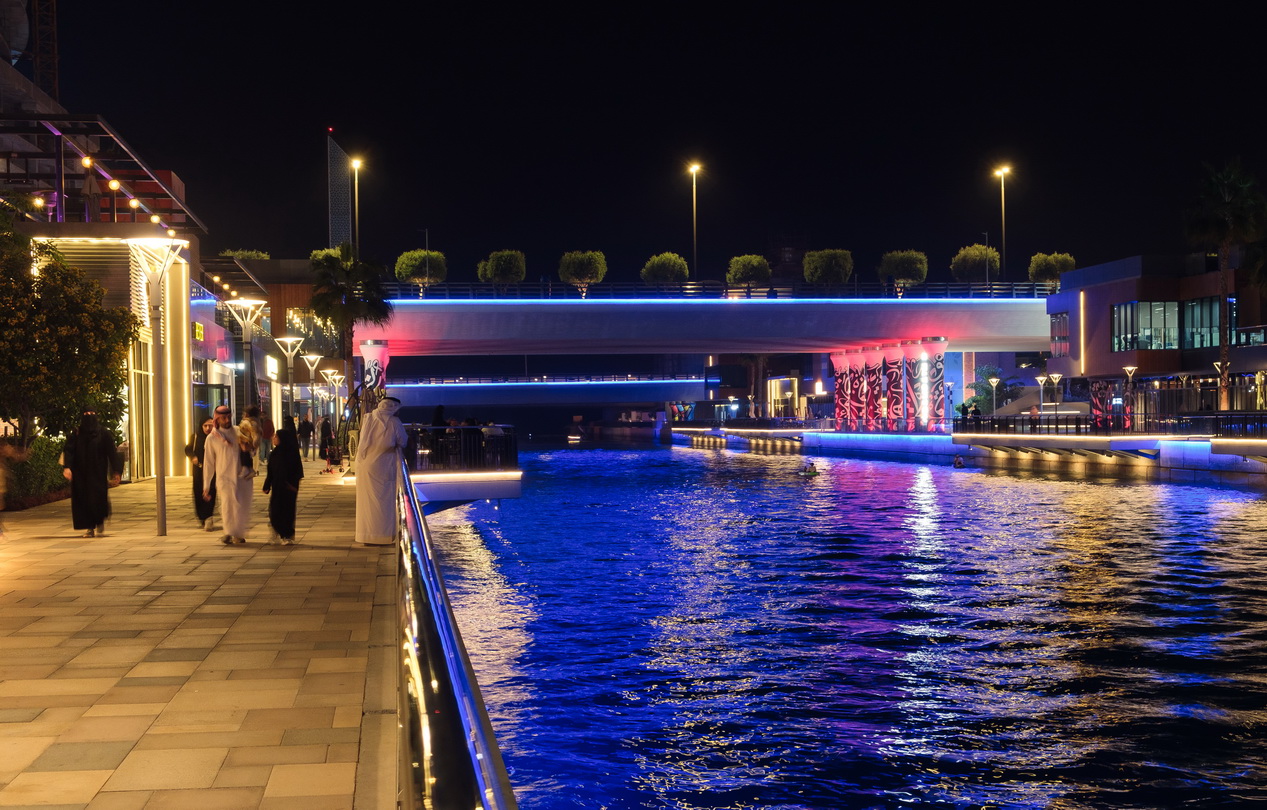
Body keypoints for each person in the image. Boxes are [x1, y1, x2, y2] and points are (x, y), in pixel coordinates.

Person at [355, 395, 408, 545]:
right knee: (384, 502)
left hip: (366, 465)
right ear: (393, 407)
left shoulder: (368, 418)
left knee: (367, 503)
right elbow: (402, 441)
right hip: (384, 465)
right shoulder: (393, 421)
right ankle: (382, 536)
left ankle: (366, 536)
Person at [61, 411, 121, 537]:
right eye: (86, 413)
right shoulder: (77, 433)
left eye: (92, 413)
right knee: (83, 500)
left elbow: (111, 452)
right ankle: (89, 527)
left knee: (97, 499)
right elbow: (69, 450)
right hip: (80, 473)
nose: (89, 416)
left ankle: (99, 521)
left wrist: (116, 471)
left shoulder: (103, 433)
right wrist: (67, 467)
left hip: (98, 472)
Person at [203, 404, 253, 544]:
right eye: (223, 418)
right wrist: (206, 485)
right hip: (224, 477)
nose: (226, 420)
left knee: (240, 505)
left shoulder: (238, 432)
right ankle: (228, 532)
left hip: (241, 476)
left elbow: (251, 452)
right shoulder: (211, 438)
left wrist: (250, 447)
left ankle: (238, 533)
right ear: (217, 419)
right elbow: (208, 463)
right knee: (226, 504)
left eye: (228, 417)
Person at [263, 427, 303, 545]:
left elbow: (297, 471)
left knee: (287, 511)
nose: (273, 438)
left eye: (276, 436)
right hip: (277, 487)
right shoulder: (275, 453)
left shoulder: (292, 453)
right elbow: (270, 471)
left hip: (288, 488)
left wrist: (293, 485)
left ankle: (287, 535)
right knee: (275, 510)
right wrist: (267, 485)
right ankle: (276, 531)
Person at [184, 417, 216, 531]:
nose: (208, 428)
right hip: (199, 469)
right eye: (205, 426)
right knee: (198, 492)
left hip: (213, 469)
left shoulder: (216, 437)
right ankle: (201, 516)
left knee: (211, 491)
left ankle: (209, 516)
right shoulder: (196, 437)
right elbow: (188, 449)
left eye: (210, 425)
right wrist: (193, 457)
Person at [238, 405, 262, 478]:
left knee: (244, 455)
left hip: (246, 441)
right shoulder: (255, 422)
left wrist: (254, 443)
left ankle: (247, 470)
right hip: (246, 441)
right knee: (247, 456)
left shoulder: (249, 422)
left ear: (247, 414)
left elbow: (255, 434)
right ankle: (250, 469)